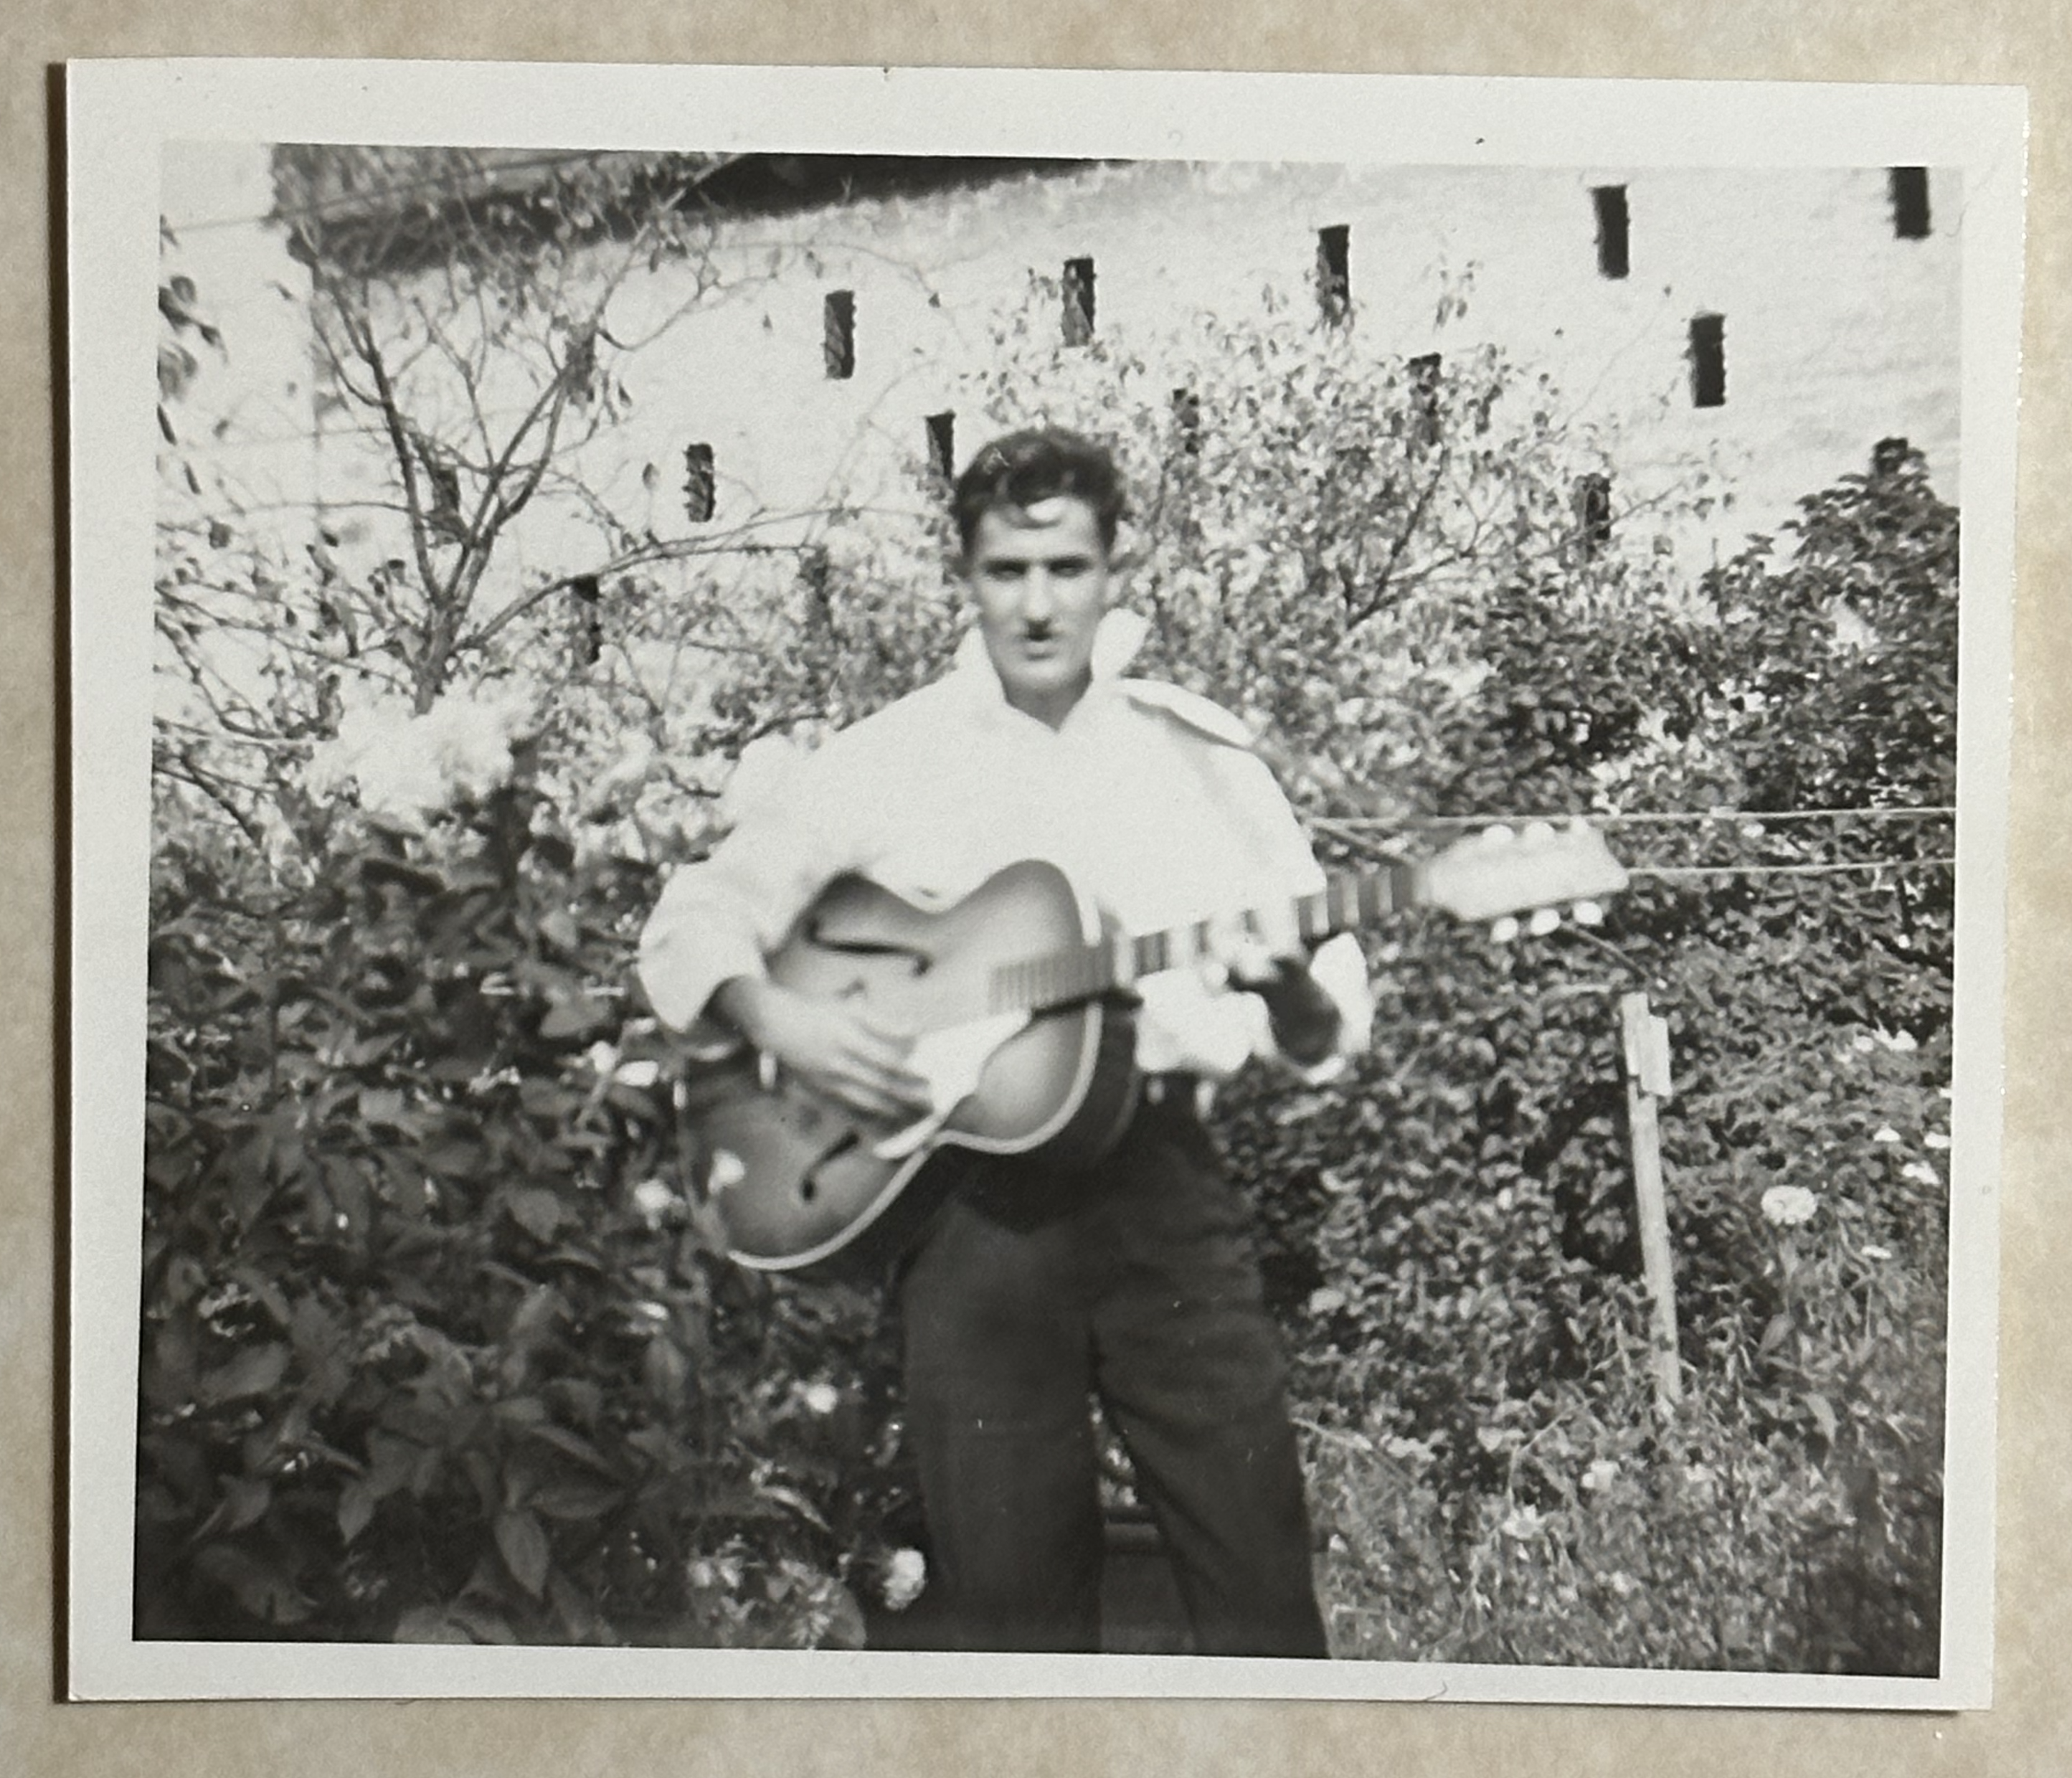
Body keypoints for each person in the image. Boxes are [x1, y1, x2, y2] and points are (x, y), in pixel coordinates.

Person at [637, 427, 1371, 1656]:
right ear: (964, 574)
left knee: (1261, 1590)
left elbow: (1327, 1014)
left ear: (1115, 569)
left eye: (1068, 568)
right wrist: (782, 1018)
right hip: (974, 1221)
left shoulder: (1199, 759)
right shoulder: (886, 759)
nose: (1039, 605)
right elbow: (694, 916)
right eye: (1007, 571)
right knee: (1013, 1629)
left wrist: (1291, 991)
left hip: (1165, 1199)